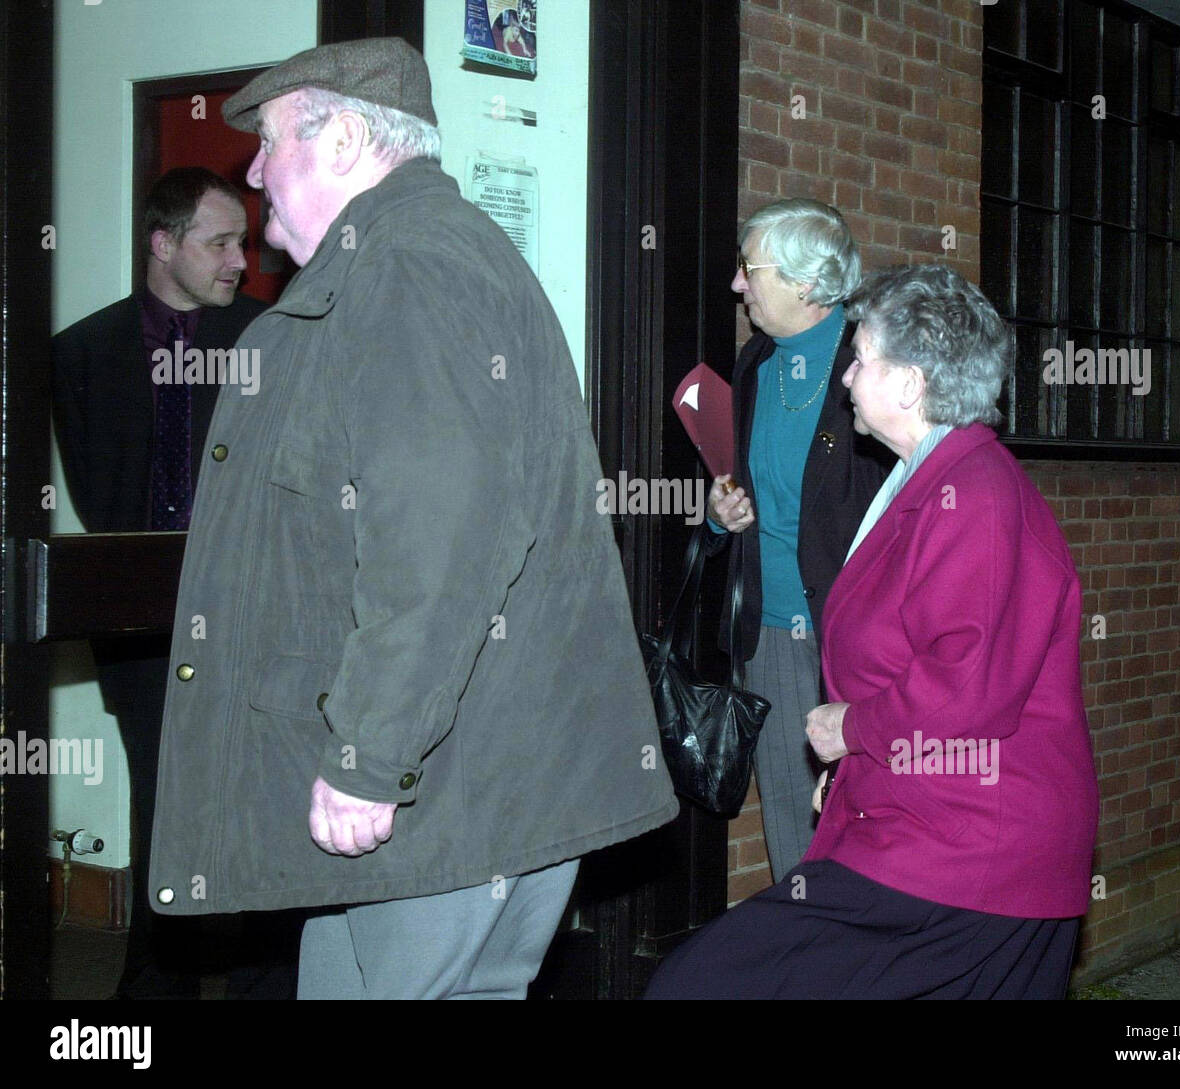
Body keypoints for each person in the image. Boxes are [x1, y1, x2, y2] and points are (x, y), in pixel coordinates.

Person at [145, 37, 678, 1000]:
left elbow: (444, 539)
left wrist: (368, 755)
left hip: (447, 790)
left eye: (269, 142)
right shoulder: (402, 260)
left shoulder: (413, 269)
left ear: (345, 138)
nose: (255, 175)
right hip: (450, 791)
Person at [646, 264, 1099, 999]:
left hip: (971, 857)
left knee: (699, 982)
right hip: (942, 839)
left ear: (910, 383)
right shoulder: (924, 474)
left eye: (860, 358)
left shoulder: (975, 496)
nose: (847, 378)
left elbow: (968, 688)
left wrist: (852, 728)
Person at [51, 167, 266, 999]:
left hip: (248, 619)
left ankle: (258, 976)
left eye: (243, 241)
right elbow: (100, 498)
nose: (238, 261)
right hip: (141, 631)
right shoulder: (83, 353)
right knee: (159, 796)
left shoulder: (267, 338)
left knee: (250, 799)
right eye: (218, 242)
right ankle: (153, 983)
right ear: (163, 244)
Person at [704, 199, 891, 881]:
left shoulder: (873, 364)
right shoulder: (754, 363)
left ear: (806, 284)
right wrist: (721, 512)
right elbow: (745, 481)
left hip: (862, 638)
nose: (737, 285)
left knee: (877, 819)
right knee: (794, 832)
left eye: (750, 270)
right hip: (777, 634)